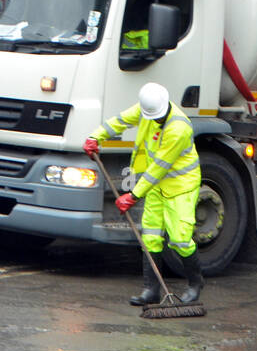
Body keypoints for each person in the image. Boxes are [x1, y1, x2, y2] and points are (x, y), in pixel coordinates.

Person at [84, 82, 204, 306]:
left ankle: (195, 284)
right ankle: (151, 290)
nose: (155, 121)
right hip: (155, 186)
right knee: (149, 237)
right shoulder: (146, 109)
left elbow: (160, 166)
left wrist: (133, 195)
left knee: (179, 239)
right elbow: (121, 121)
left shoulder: (179, 128)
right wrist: (96, 137)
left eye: (157, 118)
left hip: (180, 187)